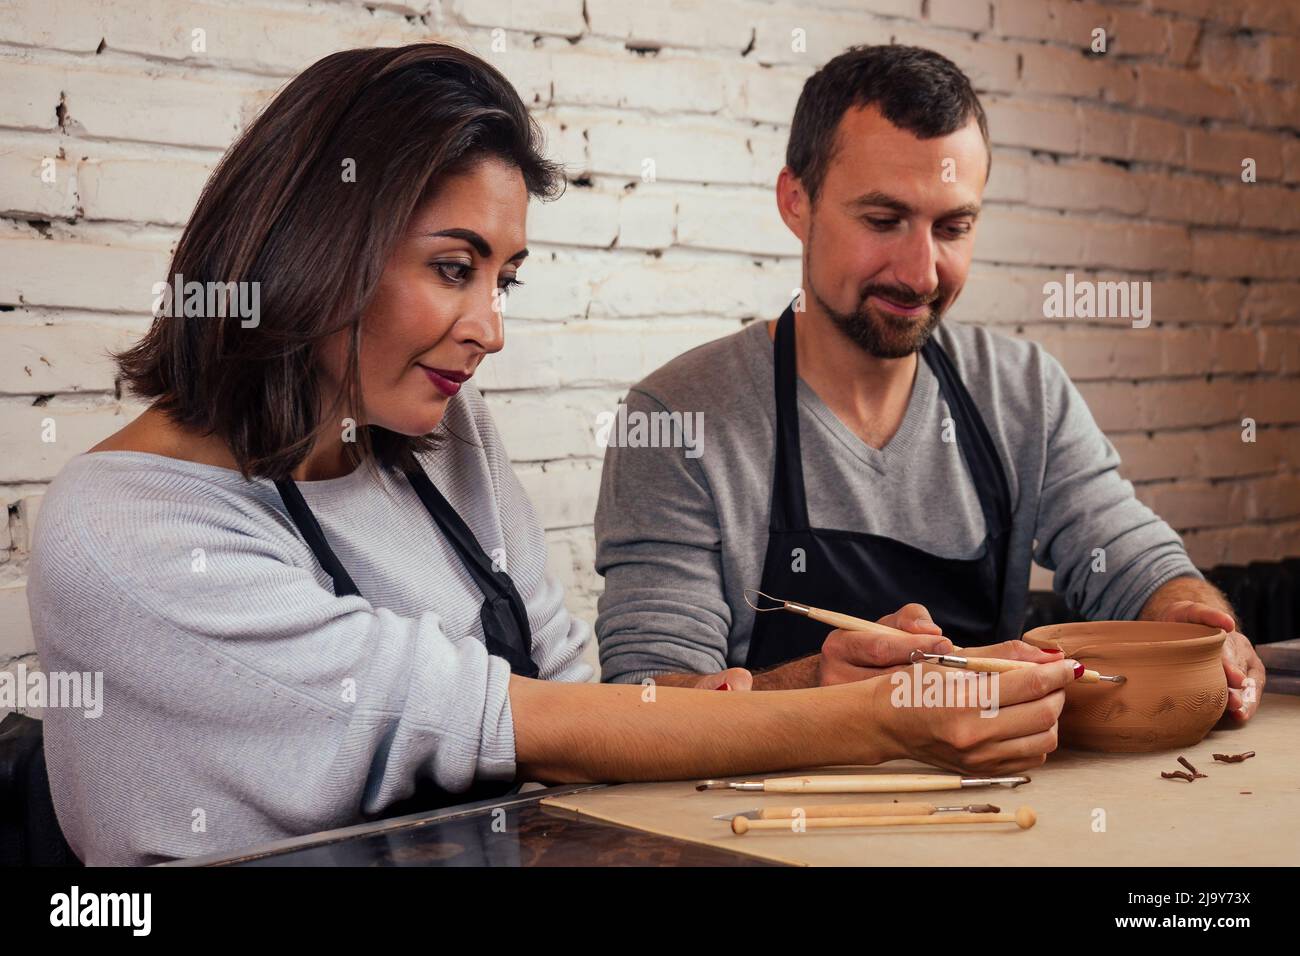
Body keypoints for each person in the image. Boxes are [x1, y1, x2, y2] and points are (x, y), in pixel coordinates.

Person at [27, 43, 1081, 866]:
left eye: (505, 278)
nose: (489, 327)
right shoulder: (127, 530)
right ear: (315, 243)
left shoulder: (438, 440)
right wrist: (868, 721)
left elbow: (590, 707)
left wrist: (802, 678)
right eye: (453, 266)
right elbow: (513, 724)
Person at [594, 44, 1265, 720]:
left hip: (993, 806)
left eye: (953, 227)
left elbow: (1130, 561)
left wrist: (1194, 617)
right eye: (883, 221)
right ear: (796, 202)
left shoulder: (1023, 392)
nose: (921, 274)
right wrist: (828, 691)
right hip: (748, 819)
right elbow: (644, 703)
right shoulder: (677, 417)